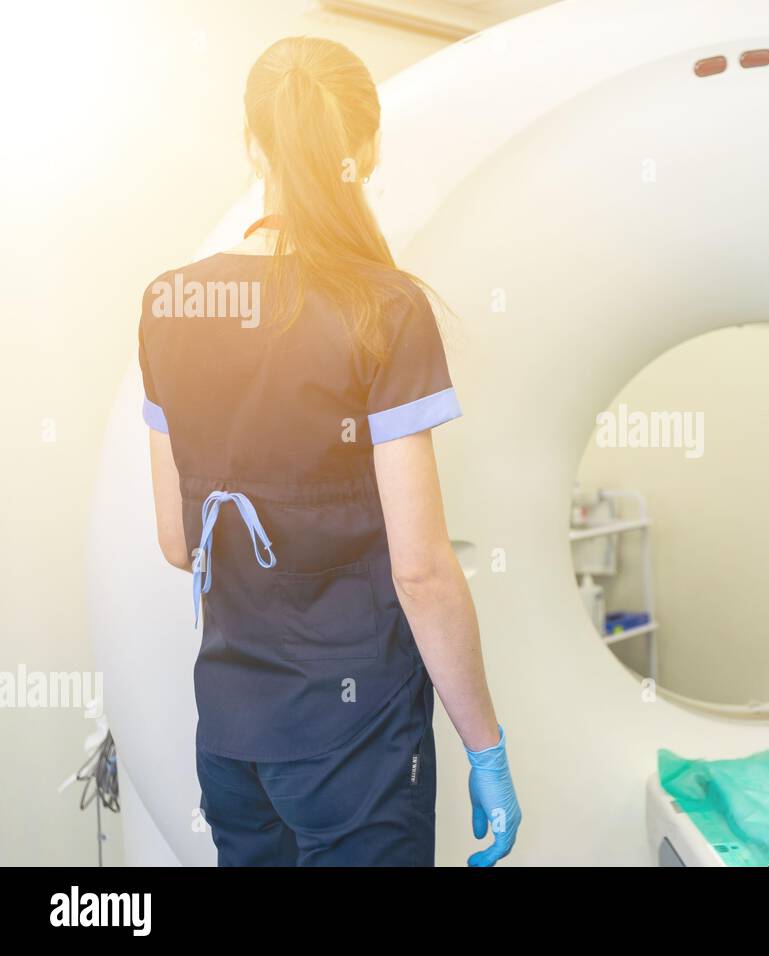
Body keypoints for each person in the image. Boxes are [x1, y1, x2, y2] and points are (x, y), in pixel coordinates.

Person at [139, 36, 520, 866]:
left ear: (252, 145)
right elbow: (420, 574)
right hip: (355, 741)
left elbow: (177, 541)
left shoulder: (170, 303)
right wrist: (485, 747)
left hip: (233, 737)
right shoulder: (384, 310)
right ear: (368, 150)